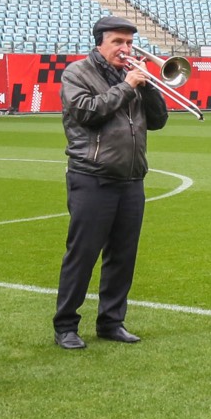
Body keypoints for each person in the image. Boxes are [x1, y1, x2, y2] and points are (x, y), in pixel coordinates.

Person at [54, 18, 168, 349]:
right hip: (92, 177)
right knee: (82, 254)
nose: (126, 49)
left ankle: (111, 321)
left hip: (131, 178)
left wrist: (147, 88)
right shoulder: (76, 73)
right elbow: (87, 112)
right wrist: (128, 86)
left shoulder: (131, 77)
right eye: (119, 42)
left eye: (130, 43)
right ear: (100, 44)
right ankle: (65, 325)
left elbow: (158, 121)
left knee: (123, 255)